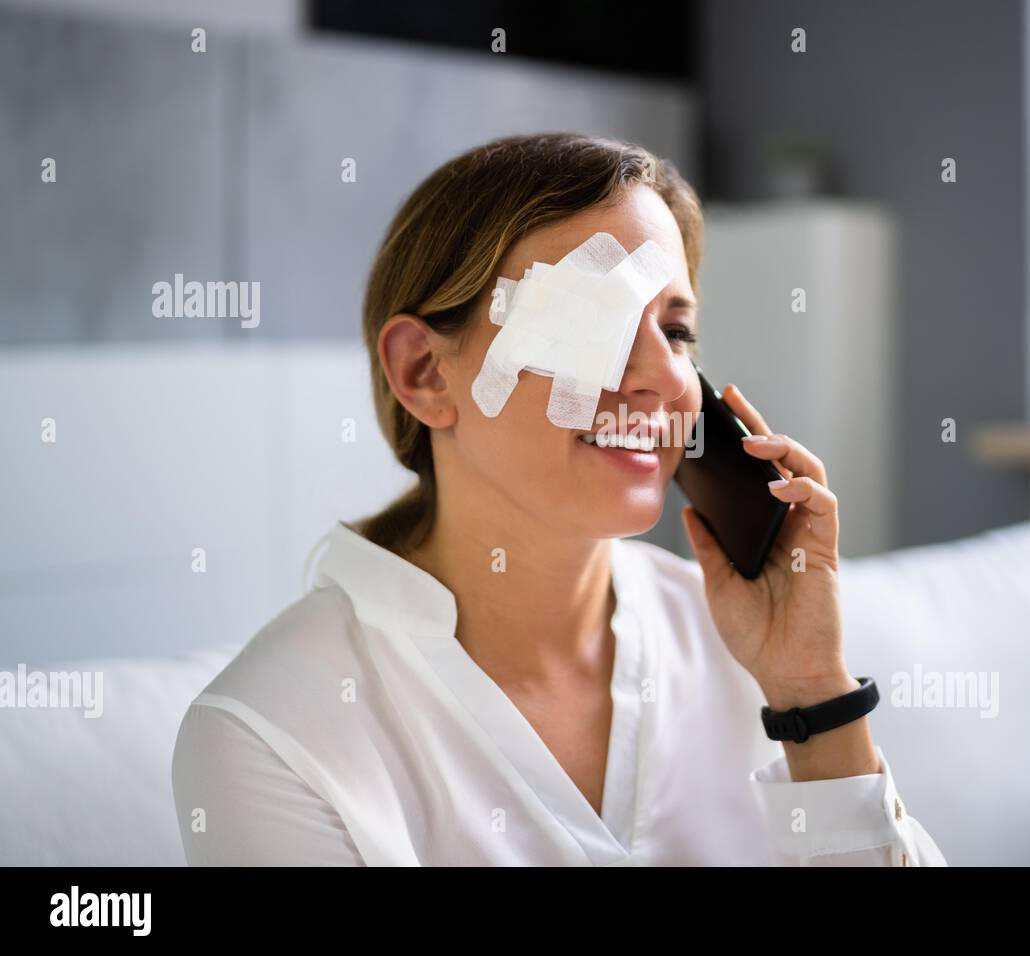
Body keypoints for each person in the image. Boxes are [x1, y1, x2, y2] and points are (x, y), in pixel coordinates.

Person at [171, 132, 947, 866]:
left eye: (676, 332)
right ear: (426, 374)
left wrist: (811, 694)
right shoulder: (269, 732)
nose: (666, 378)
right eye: (593, 318)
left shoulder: (746, 649)